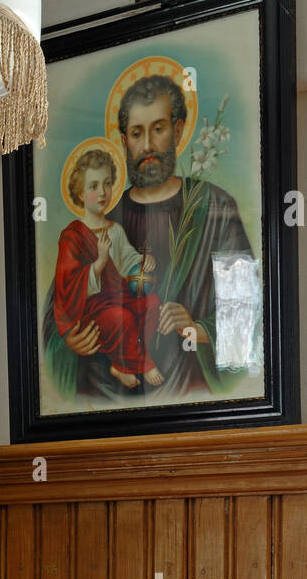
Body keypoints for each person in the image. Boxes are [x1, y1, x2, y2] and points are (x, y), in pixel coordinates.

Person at [45, 73, 253, 401]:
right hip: (106, 403)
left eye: (158, 129)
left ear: (179, 130)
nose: (147, 146)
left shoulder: (215, 207)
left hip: (191, 400)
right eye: (137, 133)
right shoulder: (101, 218)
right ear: (124, 140)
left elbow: (248, 316)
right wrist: (70, 339)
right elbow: (56, 311)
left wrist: (196, 329)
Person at [52, 147, 163, 389]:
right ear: (80, 193)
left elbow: (127, 260)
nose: (102, 192)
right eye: (93, 186)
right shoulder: (72, 236)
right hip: (92, 309)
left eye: (107, 183)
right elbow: (67, 285)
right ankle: (144, 363)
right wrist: (99, 263)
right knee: (120, 318)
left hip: (119, 296)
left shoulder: (115, 229)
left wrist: (141, 263)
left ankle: (121, 366)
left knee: (152, 304)